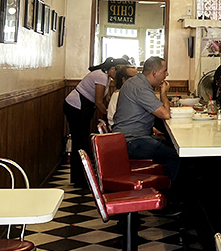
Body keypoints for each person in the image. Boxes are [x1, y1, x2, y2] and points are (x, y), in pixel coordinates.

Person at [112, 56, 180, 193]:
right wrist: (163, 93)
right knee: (173, 155)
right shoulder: (141, 87)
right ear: (155, 72)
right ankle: (166, 201)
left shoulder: (136, 83)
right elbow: (165, 114)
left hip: (126, 137)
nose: (167, 74)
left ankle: (159, 191)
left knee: (169, 144)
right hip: (131, 140)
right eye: (165, 71)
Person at [64, 56, 129, 187]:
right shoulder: (100, 76)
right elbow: (98, 102)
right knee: (79, 142)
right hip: (75, 107)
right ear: (112, 69)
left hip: (83, 108)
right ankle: (79, 179)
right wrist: (109, 114)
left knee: (82, 140)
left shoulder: (105, 77)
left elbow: (103, 100)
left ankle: (82, 177)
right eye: (119, 72)